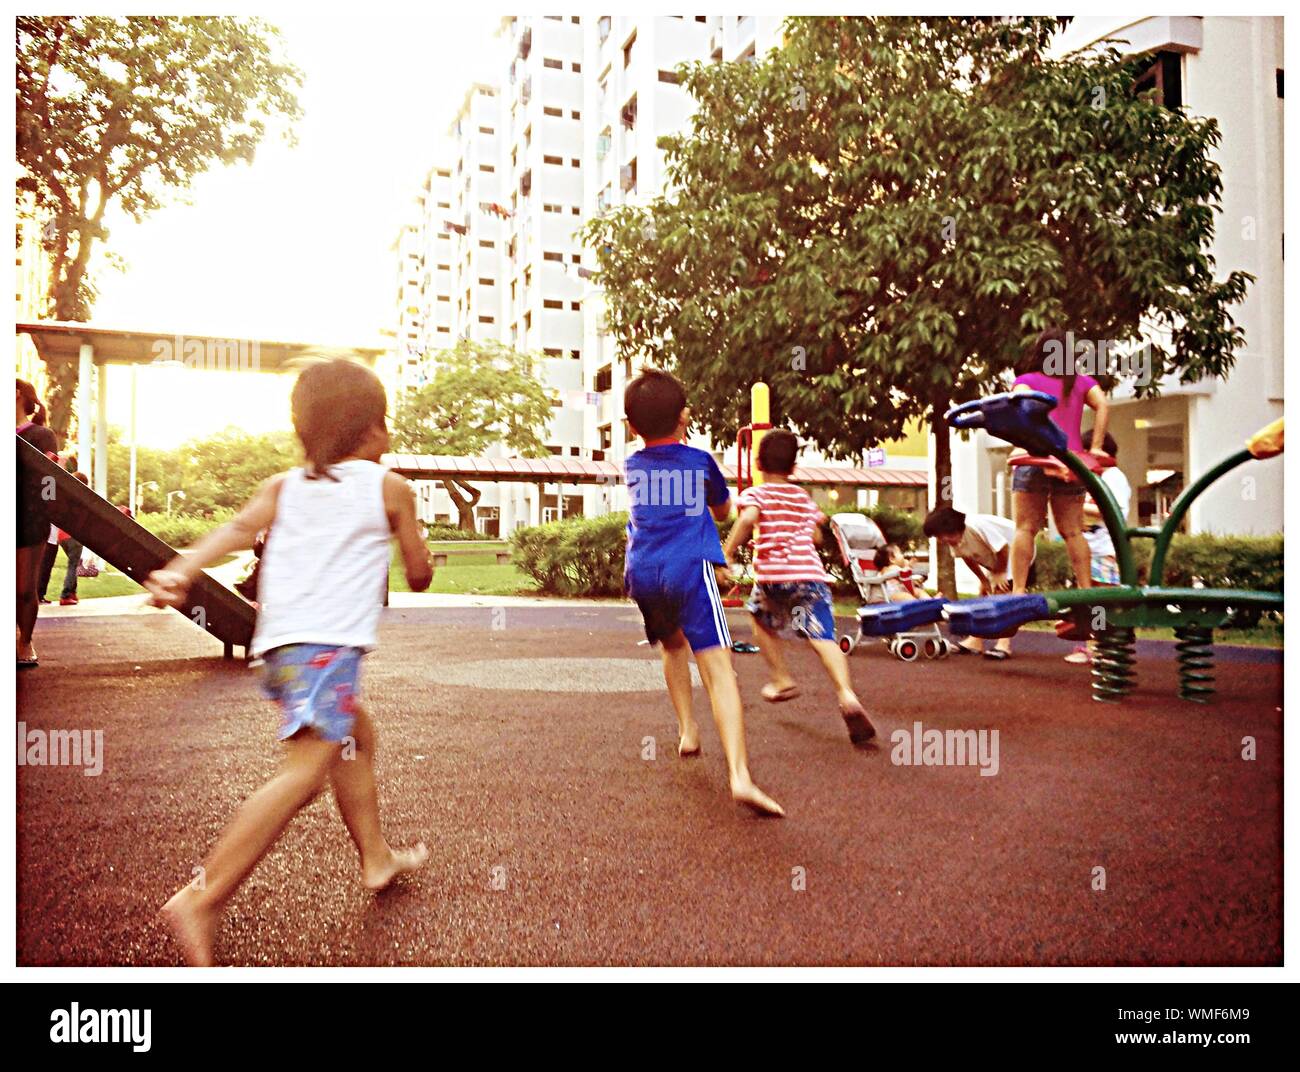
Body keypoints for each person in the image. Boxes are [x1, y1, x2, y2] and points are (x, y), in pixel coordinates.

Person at [146, 359, 435, 965]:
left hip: (279, 649)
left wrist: (180, 570)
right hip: (327, 652)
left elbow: (233, 530)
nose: (389, 437)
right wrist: (413, 541)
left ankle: (376, 859)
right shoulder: (390, 488)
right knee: (304, 773)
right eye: (385, 425)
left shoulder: (285, 485)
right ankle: (202, 897)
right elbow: (420, 574)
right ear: (370, 431)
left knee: (357, 732)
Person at [622, 368, 783, 816]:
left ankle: (688, 730)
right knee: (718, 670)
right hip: (691, 569)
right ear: (685, 416)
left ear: (632, 427)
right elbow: (724, 508)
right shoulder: (699, 461)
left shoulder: (632, 465)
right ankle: (740, 776)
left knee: (672, 647)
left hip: (645, 573)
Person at [722, 429, 876, 747]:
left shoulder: (757, 494)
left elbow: (749, 518)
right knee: (822, 636)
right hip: (808, 576)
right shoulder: (802, 498)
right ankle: (846, 694)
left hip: (773, 578)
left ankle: (781, 679)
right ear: (793, 468)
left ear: (758, 463)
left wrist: (726, 552)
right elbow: (817, 537)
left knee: (760, 619)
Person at [1008, 326, 1111, 596]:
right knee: (1074, 531)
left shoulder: (1027, 379)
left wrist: (1020, 444)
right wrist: (1096, 447)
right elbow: (1102, 404)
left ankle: (1018, 590)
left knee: (1025, 528)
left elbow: (1016, 407)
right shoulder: (1081, 381)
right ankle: (1086, 589)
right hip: (1071, 460)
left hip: (1035, 458)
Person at [923, 505, 1029, 659]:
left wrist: (999, 573)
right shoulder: (956, 541)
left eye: (940, 536)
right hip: (998, 560)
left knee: (1002, 593)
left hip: (1019, 553)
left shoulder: (977, 525)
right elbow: (968, 557)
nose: (940, 541)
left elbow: (1002, 548)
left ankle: (1003, 644)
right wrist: (983, 580)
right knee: (984, 594)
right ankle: (975, 641)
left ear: (951, 529)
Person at [1065, 432, 1131, 666]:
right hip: (1088, 547)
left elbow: (1116, 512)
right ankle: (1092, 643)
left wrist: (1080, 509)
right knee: (1090, 599)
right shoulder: (1090, 476)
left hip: (1104, 548)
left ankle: (1103, 645)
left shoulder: (1114, 476)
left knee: (1102, 599)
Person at [16, 378, 58, 669]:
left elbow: (50, 482)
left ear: (16, 394)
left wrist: (47, 511)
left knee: (24, 589)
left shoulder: (41, 435)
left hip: (29, 519)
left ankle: (25, 640)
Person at [39, 461, 88, 606]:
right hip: (72, 535)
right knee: (73, 565)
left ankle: (72, 593)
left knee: (74, 564)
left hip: (60, 536)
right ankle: (66, 594)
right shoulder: (78, 496)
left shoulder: (63, 493)